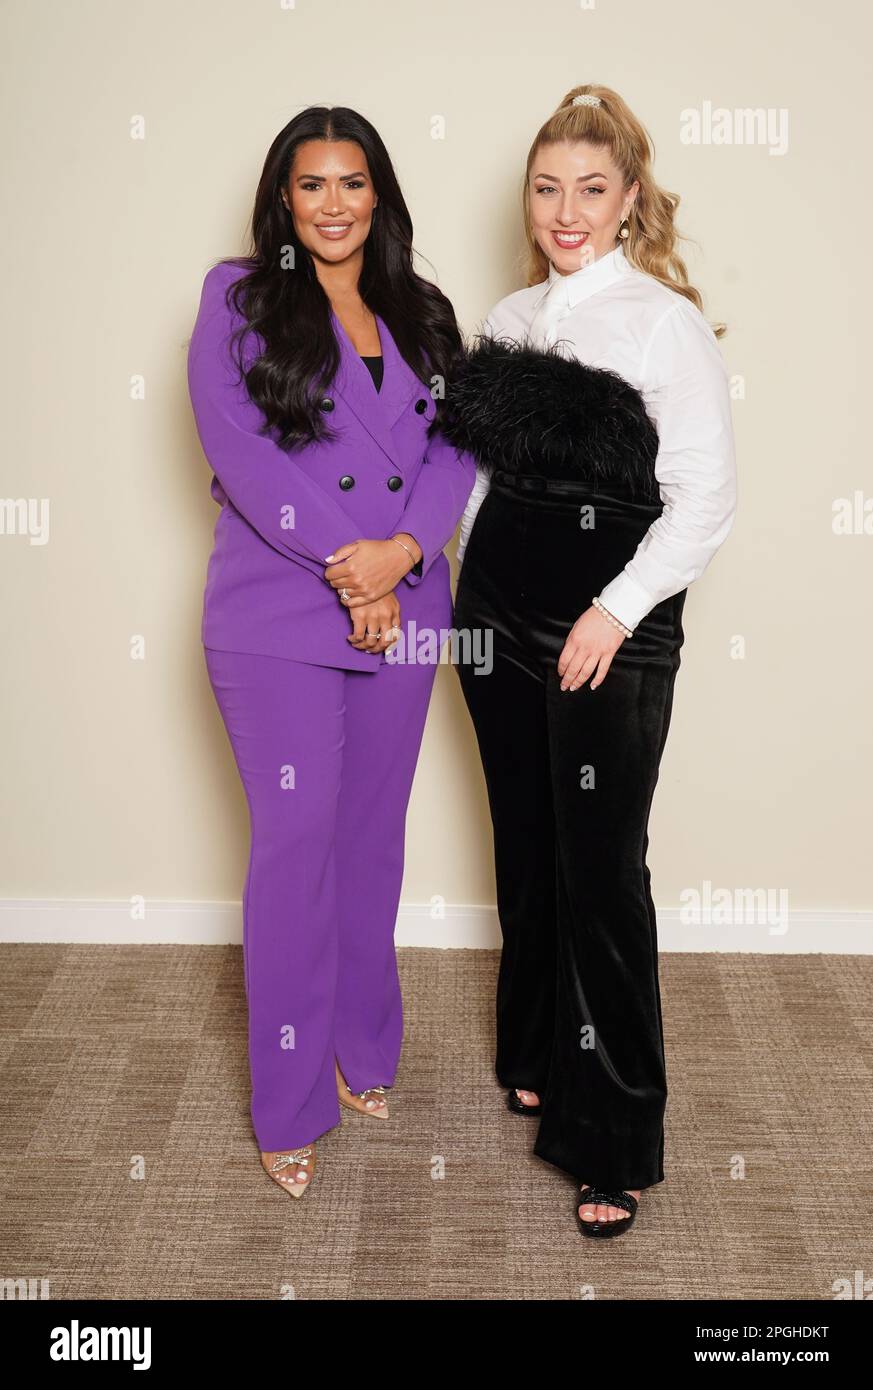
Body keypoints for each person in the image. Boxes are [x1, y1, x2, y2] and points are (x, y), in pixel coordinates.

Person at [446, 84, 736, 1236]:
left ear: (628, 202)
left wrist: (611, 612)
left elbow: (705, 500)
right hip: (497, 616)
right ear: (531, 198)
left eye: (592, 190)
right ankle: (534, 1056)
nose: (567, 211)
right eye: (548, 188)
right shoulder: (511, 319)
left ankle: (609, 1134)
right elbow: (471, 479)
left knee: (602, 870)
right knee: (523, 841)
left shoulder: (662, 323)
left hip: (609, 625)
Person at [187, 105, 476, 1198]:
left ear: (379, 195)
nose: (334, 204)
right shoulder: (239, 298)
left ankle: (366, 1046)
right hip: (279, 610)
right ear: (283, 201)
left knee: (370, 839)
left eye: (353, 183)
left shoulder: (426, 311)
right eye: (311, 185)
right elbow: (240, 452)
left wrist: (401, 551)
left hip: (405, 601)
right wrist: (348, 563)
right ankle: (292, 1095)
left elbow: (456, 448)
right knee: (296, 842)